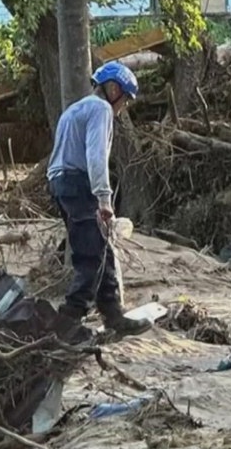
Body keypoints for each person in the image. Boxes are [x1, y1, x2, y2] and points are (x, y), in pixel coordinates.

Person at [47, 61, 153, 342]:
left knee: (101, 245)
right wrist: (104, 197)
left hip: (60, 182)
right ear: (114, 89)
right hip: (77, 181)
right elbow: (96, 157)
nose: (124, 108)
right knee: (91, 253)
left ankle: (114, 314)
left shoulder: (75, 109)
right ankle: (69, 320)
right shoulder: (100, 109)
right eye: (126, 100)